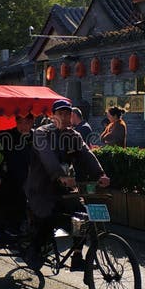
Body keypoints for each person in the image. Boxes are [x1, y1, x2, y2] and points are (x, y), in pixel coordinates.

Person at [24, 99, 110, 271]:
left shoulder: (73, 135)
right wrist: (60, 176)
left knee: (83, 218)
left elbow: (86, 154)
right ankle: (34, 249)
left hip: (66, 189)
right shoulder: (41, 133)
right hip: (42, 188)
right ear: (52, 116)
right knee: (46, 217)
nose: (64, 117)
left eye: (67, 114)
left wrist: (101, 174)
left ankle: (77, 256)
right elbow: (48, 157)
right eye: (60, 113)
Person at [0, 113, 34, 236]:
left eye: (27, 123)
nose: (23, 126)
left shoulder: (36, 135)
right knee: (17, 190)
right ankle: (13, 225)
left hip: (33, 175)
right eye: (20, 122)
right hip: (12, 174)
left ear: (32, 123)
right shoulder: (8, 135)